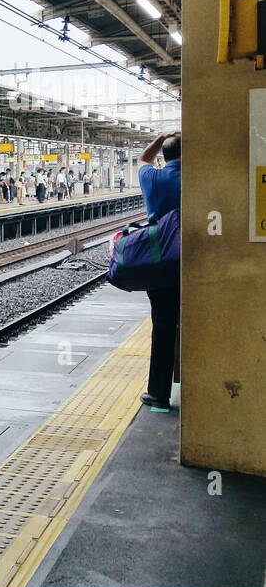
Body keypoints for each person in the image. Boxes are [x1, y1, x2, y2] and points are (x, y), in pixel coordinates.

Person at [137, 132, 182, 411]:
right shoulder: (199, 178)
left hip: (160, 264)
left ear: (163, 157)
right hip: (196, 263)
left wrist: (161, 137)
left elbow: (144, 158)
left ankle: (158, 394)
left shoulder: (151, 178)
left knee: (163, 327)